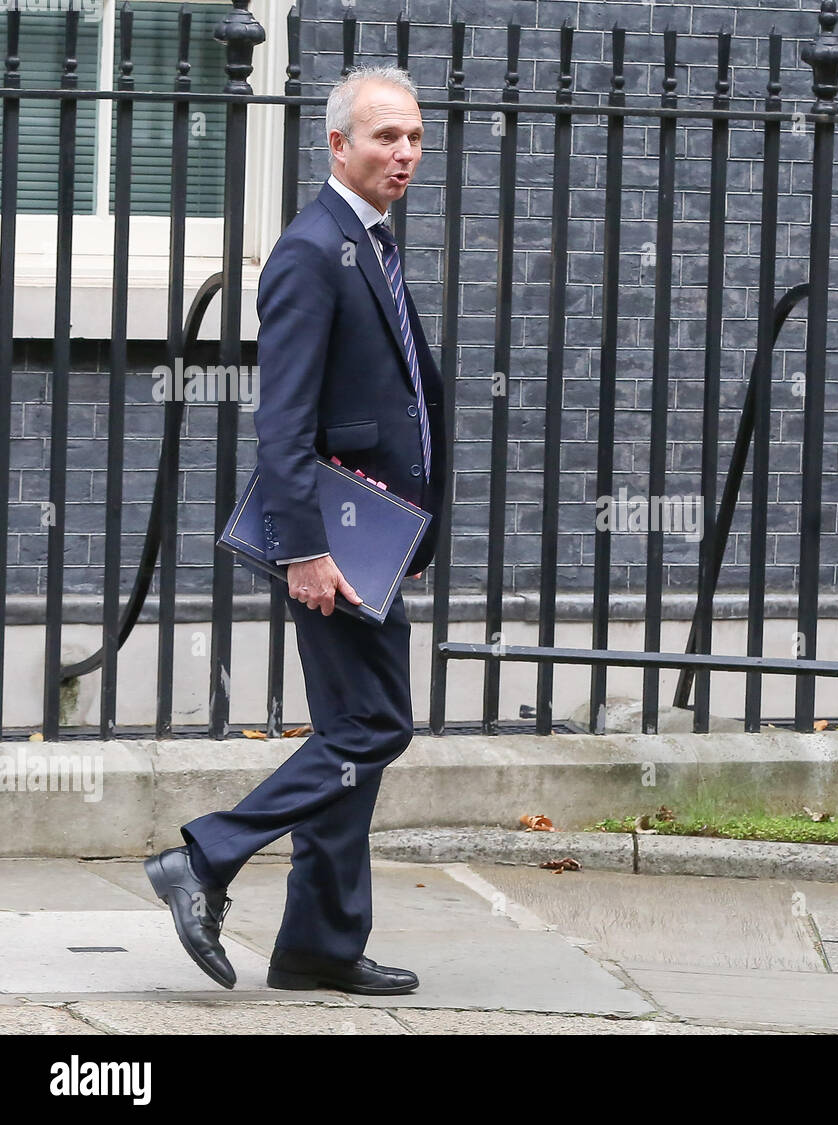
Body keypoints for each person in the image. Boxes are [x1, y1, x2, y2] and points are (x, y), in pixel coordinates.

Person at [143, 65, 447, 995]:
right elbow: (283, 426)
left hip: (377, 537)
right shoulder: (313, 250)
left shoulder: (371, 243)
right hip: (338, 544)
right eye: (384, 137)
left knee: (353, 729)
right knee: (372, 726)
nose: (403, 153)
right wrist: (304, 549)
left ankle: (319, 938)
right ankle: (206, 856)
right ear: (337, 145)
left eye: (412, 137)